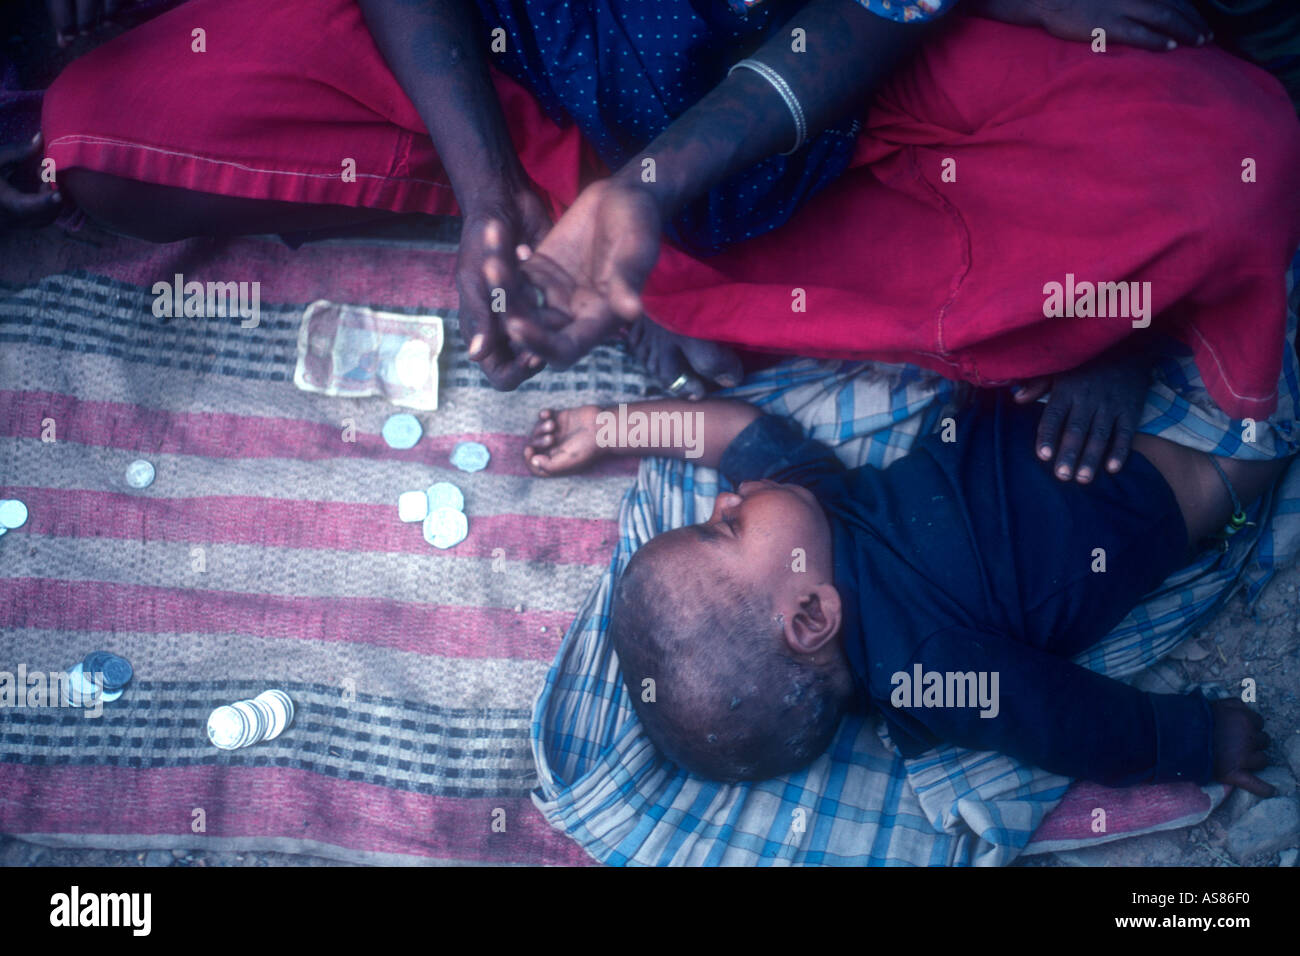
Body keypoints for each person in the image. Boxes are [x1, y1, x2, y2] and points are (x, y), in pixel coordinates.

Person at [38, 1, 1299, 418]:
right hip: (513, 61)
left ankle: (662, 253)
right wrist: (487, 185)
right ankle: (544, 218)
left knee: (1224, 151)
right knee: (98, 137)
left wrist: (654, 186)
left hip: (820, 88)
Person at [518, 360, 1284, 792]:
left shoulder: (818, 517)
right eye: (726, 525)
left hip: (1069, 387)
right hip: (1191, 460)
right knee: (1258, 400)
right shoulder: (926, 671)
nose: (727, 497)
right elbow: (1064, 722)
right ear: (811, 618)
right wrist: (1191, 741)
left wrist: (615, 424)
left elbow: (740, 433)